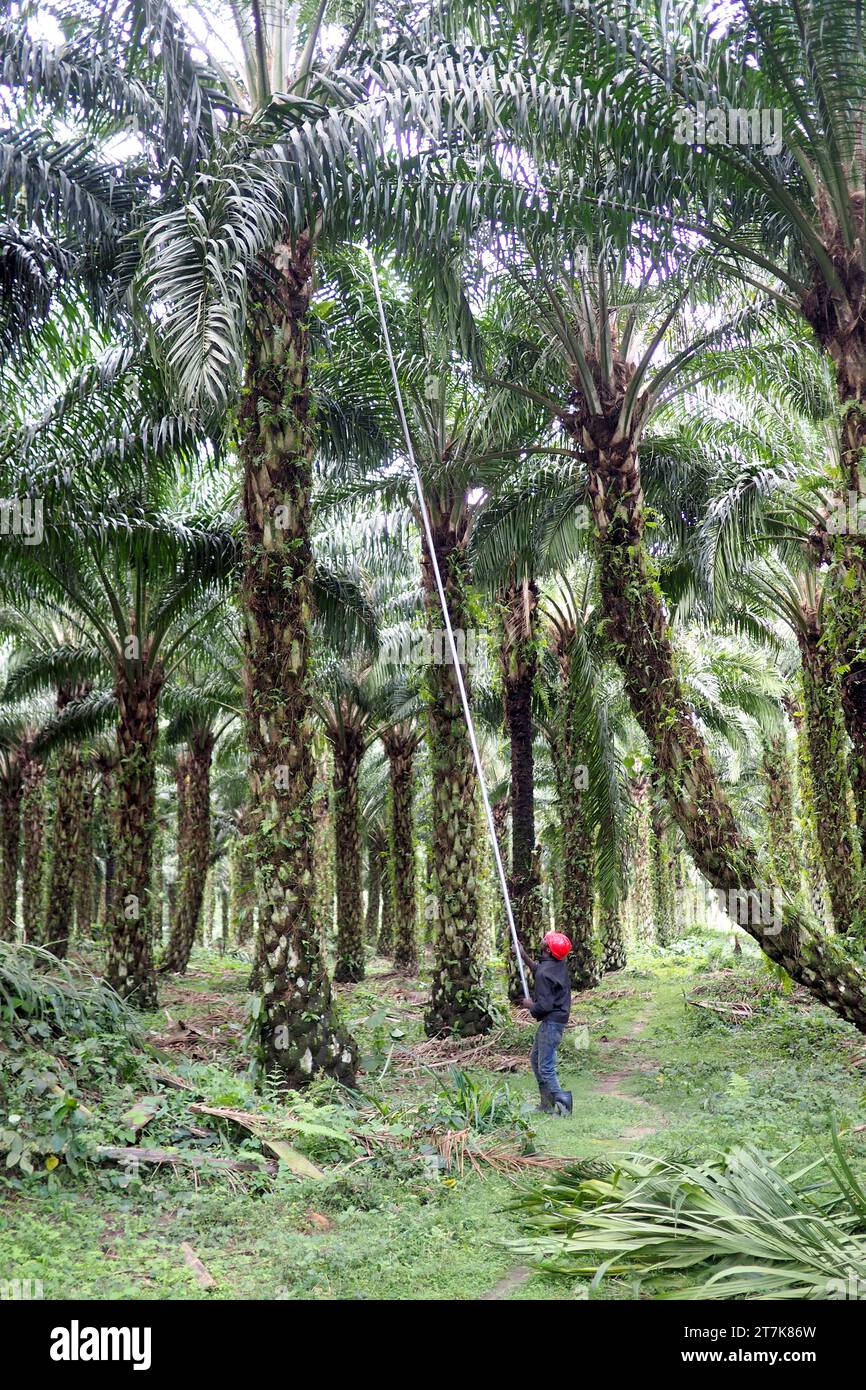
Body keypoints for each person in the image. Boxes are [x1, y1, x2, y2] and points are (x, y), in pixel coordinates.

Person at [519, 931, 573, 1116]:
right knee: (536, 1060)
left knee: (546, 1066)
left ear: (548, 951)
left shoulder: (545, 972)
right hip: (555, 1022)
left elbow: (544, 1005)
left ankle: (563, 1106)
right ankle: (546, 1104)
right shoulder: (557, 965)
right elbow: (540, 970)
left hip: (551, 1022)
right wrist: (523, 955)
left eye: (545, 942)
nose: (542, 941)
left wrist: (530, 1005)